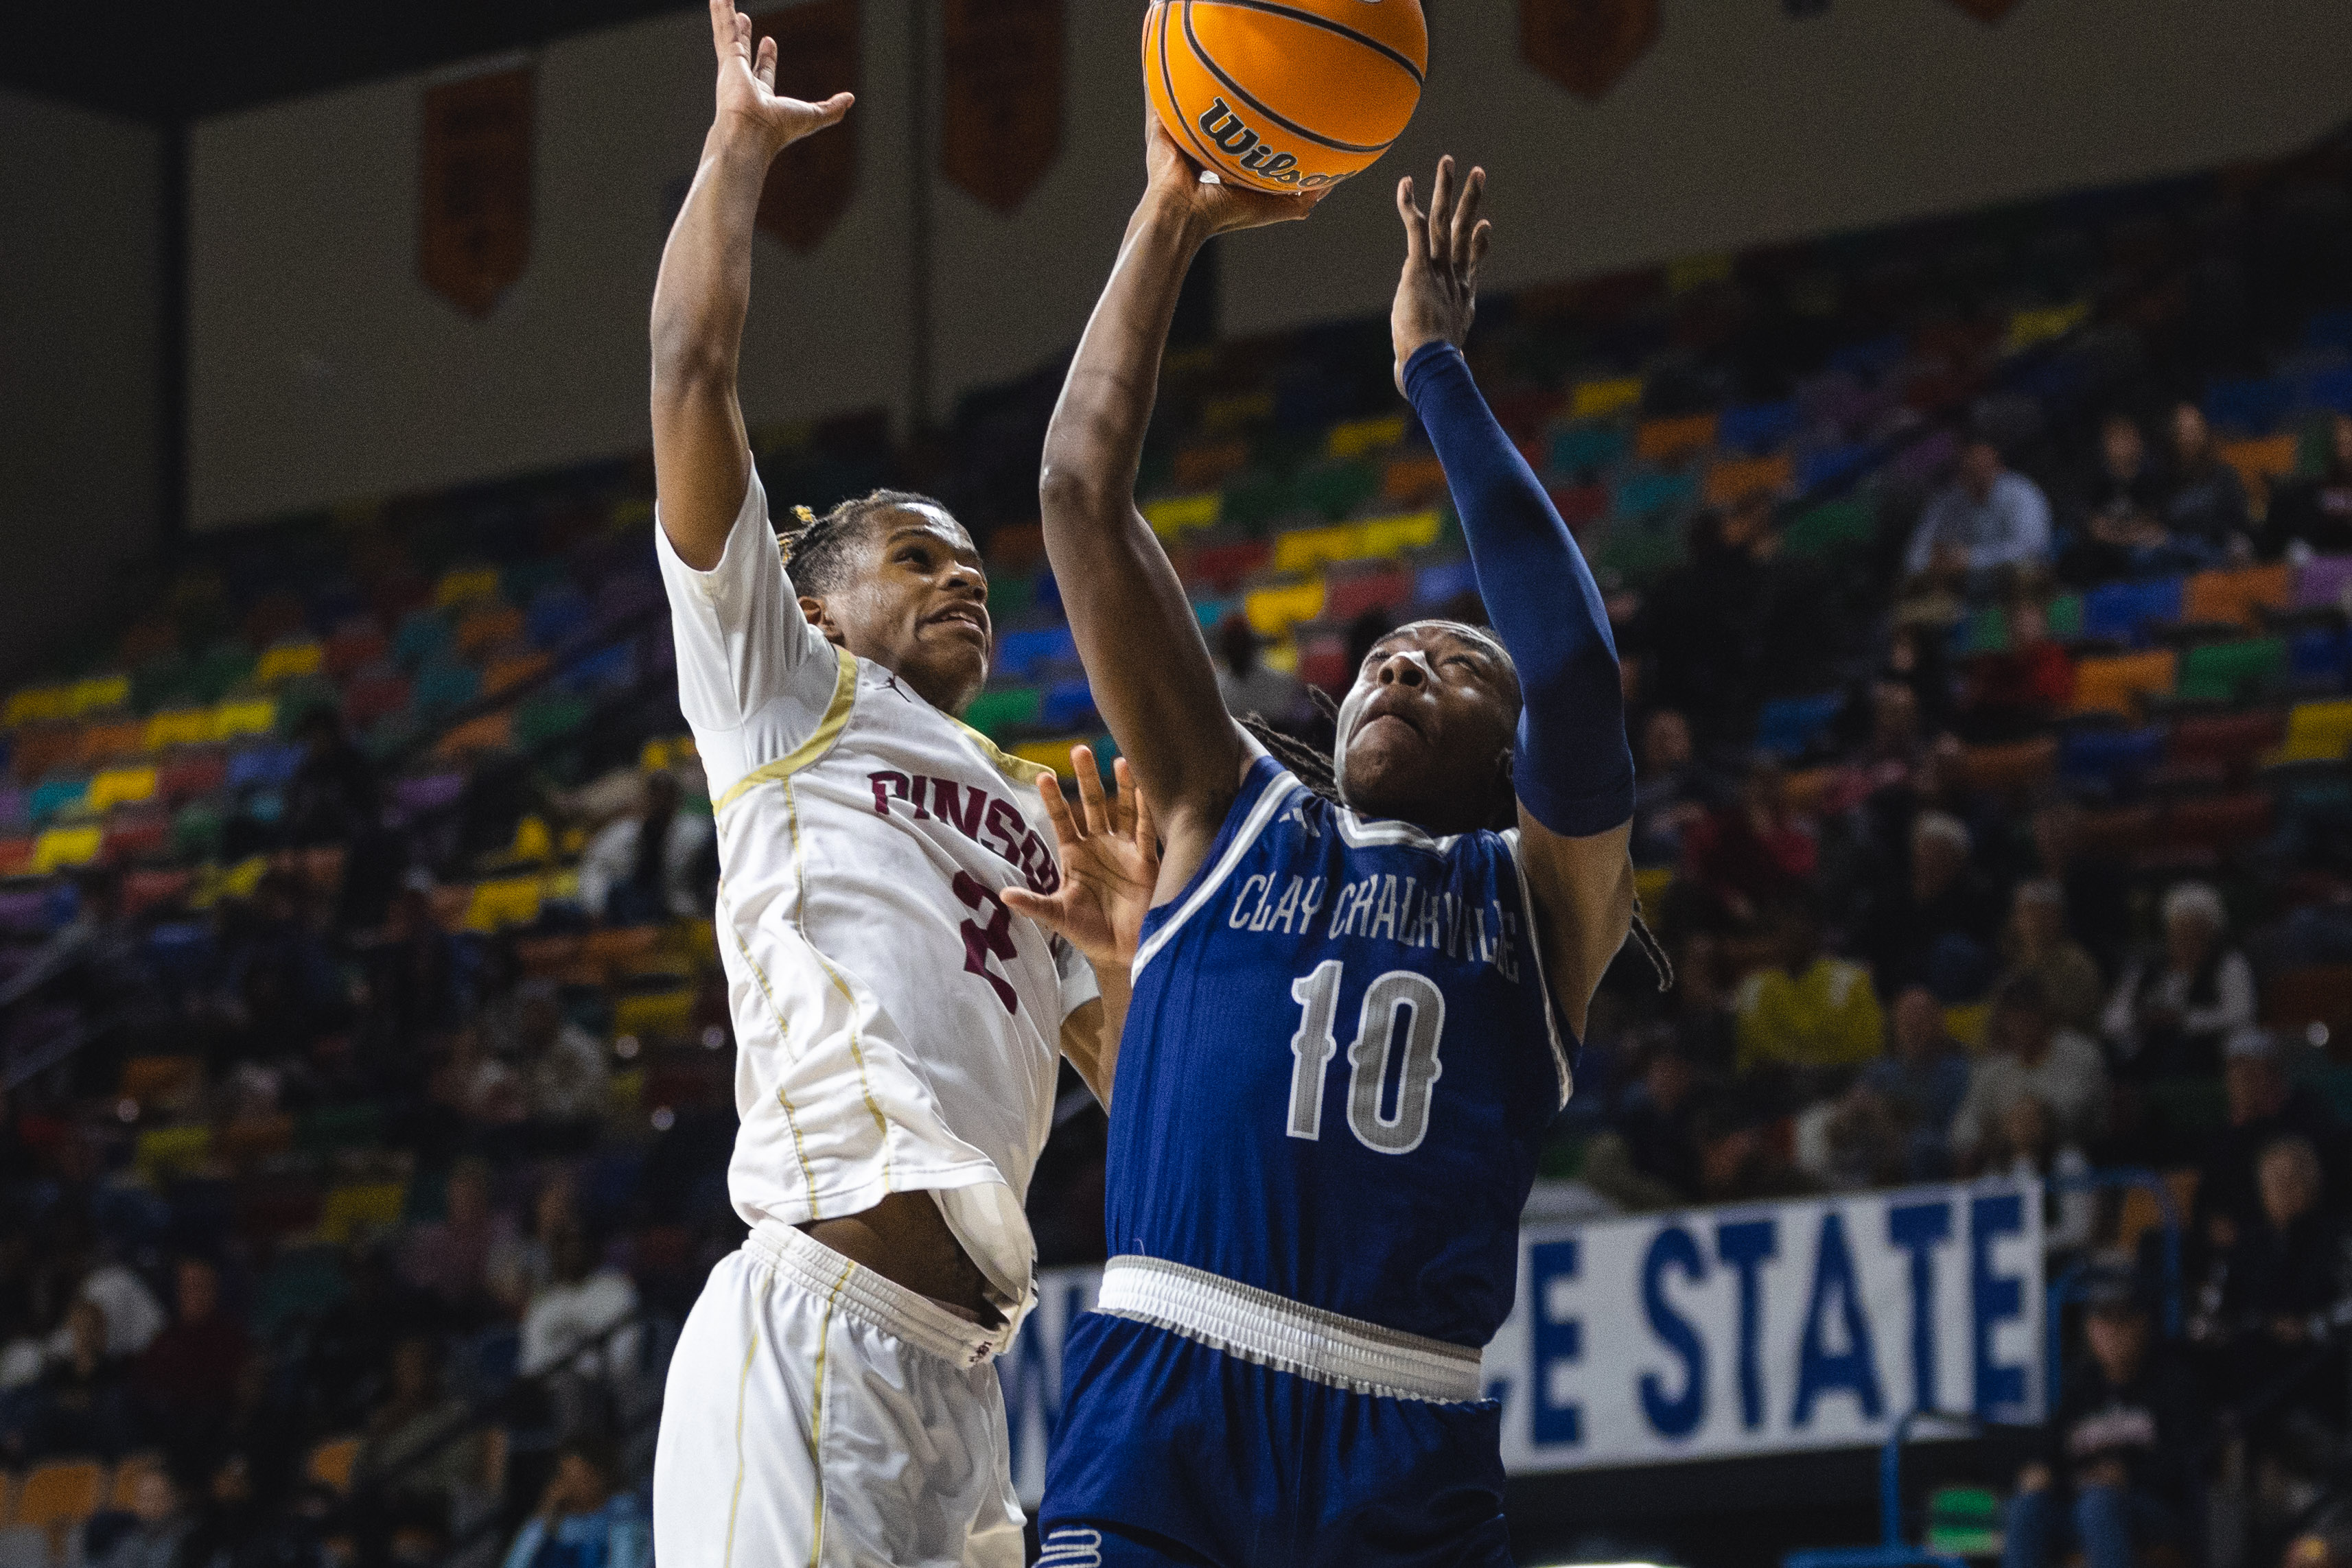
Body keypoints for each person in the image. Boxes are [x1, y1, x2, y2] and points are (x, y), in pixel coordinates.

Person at [1027, 135, 1654, 1564]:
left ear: (1509, 756)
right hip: (1168, 1392)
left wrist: (1433, 365)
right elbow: (1078, 490)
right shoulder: (1220, 805)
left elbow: (1571, 666)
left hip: (1403, 1436)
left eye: (1449, 661)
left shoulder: (1543, 897)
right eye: (1384, 653)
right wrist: (1170, 213)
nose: (1404, 667)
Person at [640, 11, 1146, 1563]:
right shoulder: (778, 685)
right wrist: (736, 153)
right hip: (813, 1338)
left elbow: (1139, 1089)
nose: (962, 581)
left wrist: (1130, 952)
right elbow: (688, 366)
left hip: (971, 1385)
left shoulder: (1029, 800)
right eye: (916, 557)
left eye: (977, 568)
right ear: (820, 597)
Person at [2003, 1267, 2204, 1568]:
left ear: (2143, 1324)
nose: (2112, 1333)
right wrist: (2041, 1469)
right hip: (2080, 1505)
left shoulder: (2172, 1382)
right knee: (2026, 1507)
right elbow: (2049, 1447)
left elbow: (2189, 1456)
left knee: (2099, 1504)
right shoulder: (2080, 1386)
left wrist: (2128, 1476)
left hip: (2152, 1506)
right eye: (2103, 1322)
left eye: (2122, 1322)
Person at [1951, 976, 2110, 1171]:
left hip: (2072, 1151)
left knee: (2070, 1163)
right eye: (2013, 1013)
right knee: (1990, 1175)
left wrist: (2036, 1115)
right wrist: (2000, 1128)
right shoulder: (1992, 1067)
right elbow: (1963, 1128)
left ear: (2045, 1013)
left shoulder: (2079, 1051)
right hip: (2005, 1158)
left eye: (2029, 1011)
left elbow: (2076, 1107)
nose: (2021, 1021)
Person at [2102, 880, 2257, 1076]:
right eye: (2179, 933)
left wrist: (2185, 1020)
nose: (2186, 941)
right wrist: (2142, 1019)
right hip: (2146, 1050)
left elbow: (2241, 1014)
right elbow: (2113, 1020)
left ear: (2212, 934)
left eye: (2195, 933)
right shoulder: (2146, 968)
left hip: (2204, 1052)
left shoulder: (2228, 962)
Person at [1732, 903, 1884, 1080]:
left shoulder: (1852, 981)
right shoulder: (1753, 988)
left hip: (1836, 1086)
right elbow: (1750, 1060)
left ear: (1816, 936)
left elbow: (1868, 1055)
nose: (1791, 941)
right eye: (1785, 933)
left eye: (1799, 932)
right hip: (1773, 1089)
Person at [1903, 436, 2054, 583]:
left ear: (2000, 467)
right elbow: (1915, 555)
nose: (1978, 475)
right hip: (1962, 584)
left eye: (1983, 467)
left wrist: (1972, 558)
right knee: (1916, 587)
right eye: (1970, 469)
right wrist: (1933, 562)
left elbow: (2031, 548)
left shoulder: (2022, 493)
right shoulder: (1949, 501)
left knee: (2025, 571)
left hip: (2013, 581)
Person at [1859, 985, 1972, 1178]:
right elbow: (1858, 1102)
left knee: (1922, 1145)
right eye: (1906, 1020)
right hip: (1883, 1146)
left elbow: (1939, 1120)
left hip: (1939, 1147)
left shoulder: (1958, 1071)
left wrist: (1888, 1118)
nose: (1913, 1028)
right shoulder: (1882, 1072)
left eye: (1920, 1020)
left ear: (1938, 1024)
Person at [576, 771, 716, 926]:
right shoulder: (622, 834)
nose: (660, 803)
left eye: (666, 796)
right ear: (645, 799)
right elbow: (595, 866)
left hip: (683, 917)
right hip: (626, 916)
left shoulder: (697, 835)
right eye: (655, 796)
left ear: (677, 800)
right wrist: (596, 905)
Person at [501, 1436, 649, 1568]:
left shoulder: (624, 1516)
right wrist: (543, 1514)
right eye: (566, 1476)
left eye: (581, 1477)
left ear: (601, 1476)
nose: (571, 1486)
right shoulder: (552, 1522)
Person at [1996, 878, 2105, 1035]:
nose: (2035, 922)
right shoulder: (2013, 958)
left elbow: (2072, 1018)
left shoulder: (2076, 964)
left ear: (2058, 919)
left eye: (2043, 914)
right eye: (2028, 912)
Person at [2158, 400, 2250, 558]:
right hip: (2175, 550)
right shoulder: (2163, 480)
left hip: (2217, 548)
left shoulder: (2224, 475)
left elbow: (2239, 521)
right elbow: (2161, 525)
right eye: (2184, 429)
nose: (2191, 436)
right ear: (2173, 436)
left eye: (2195, 428)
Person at [2266, 409, 2352, 557]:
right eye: (2338, 440)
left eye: (2347, 439)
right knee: (2298, 551)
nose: (2343, 442)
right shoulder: (2313, 484)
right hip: (2318, 551)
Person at [1213, 612, 1315, 732]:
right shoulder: (1217, 686)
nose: (1236, 648)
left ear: (1250, 643)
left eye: (1241, 642)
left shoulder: (1281, 681)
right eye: (1232, 643)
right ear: (1224, 647)